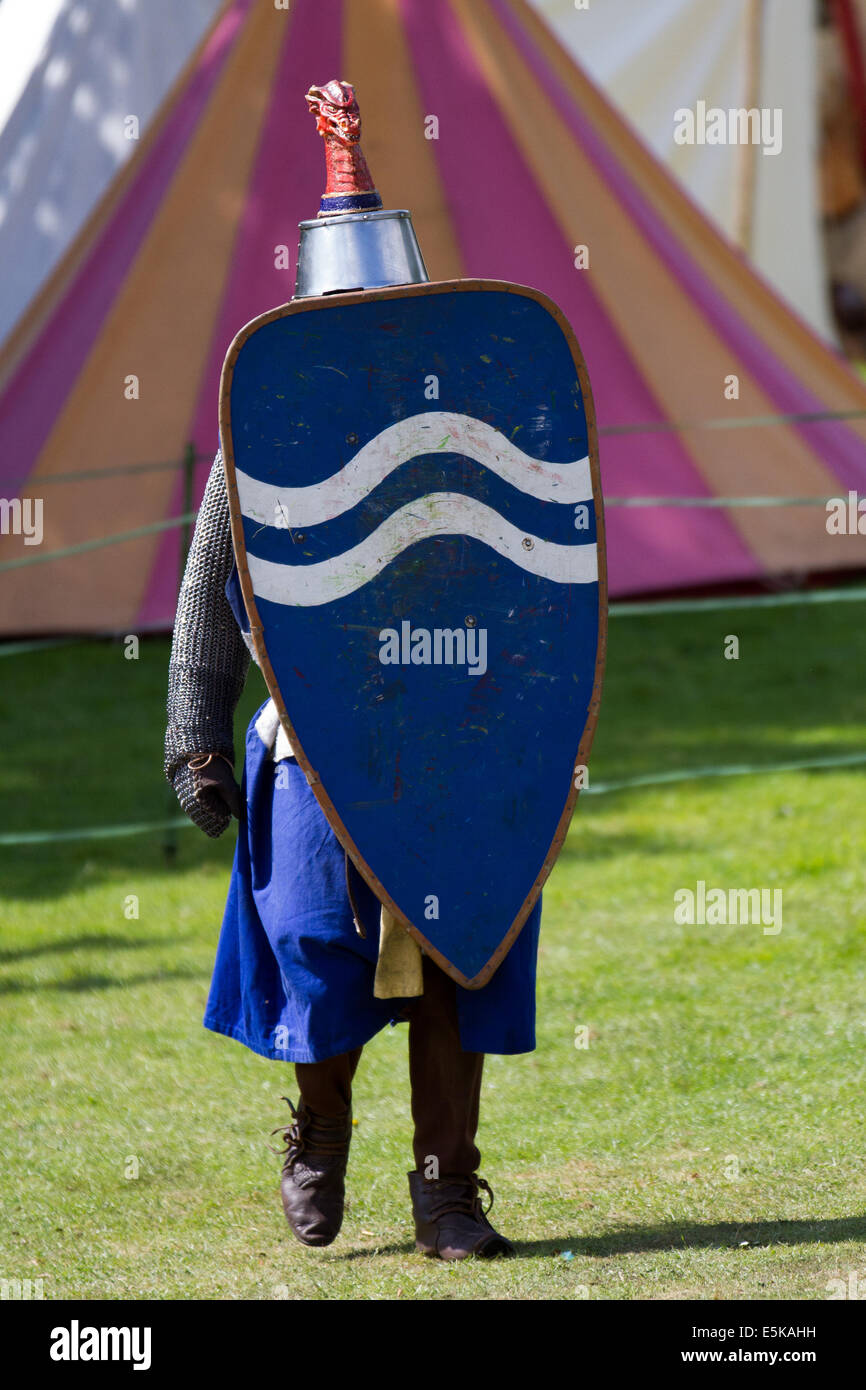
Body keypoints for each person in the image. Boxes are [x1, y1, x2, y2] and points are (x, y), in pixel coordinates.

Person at [165, 79, 541, 1261]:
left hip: (452, 751)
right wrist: (198, 739)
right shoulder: (256, 450)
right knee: (320, 963)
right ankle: (317, 1135)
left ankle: (445, 1193)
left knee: (452, 968)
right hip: (315, 750)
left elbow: (531, 585)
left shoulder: (473, 434)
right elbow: (206, 608)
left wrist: (530, 731)